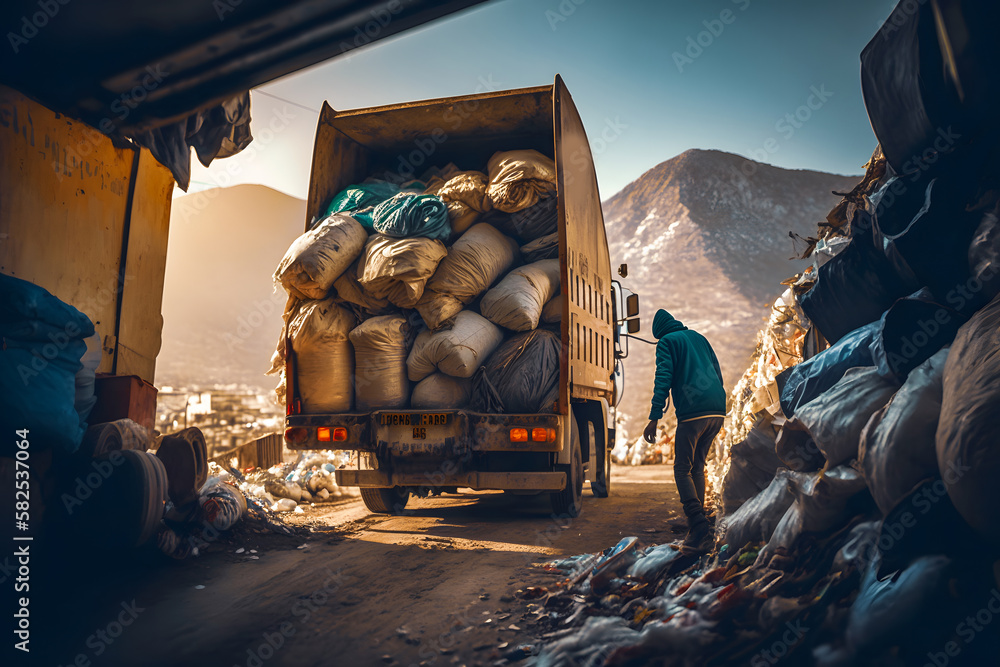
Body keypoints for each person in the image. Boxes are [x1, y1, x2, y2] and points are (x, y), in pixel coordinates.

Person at [643, 309, 726, 553]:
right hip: (717, 410)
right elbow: (717, 373)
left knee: (682, 468)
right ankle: (699, 525)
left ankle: (697, 522)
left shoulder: (667, 342)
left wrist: (654, 417)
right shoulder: (699, 337)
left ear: (659, 333)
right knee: (697, 466)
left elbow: (663, 378)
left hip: (693, 413)